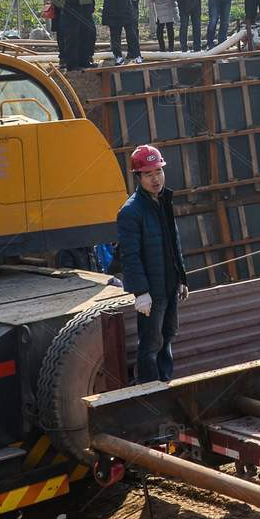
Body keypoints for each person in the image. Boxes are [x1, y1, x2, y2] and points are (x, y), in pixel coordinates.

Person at [116, 144, 188, 383]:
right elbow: (130, 255)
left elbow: (173, 243)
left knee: (168, 336)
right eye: (148, 174)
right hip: (151, 291)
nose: (155, 178)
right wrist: (141, 292)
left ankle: (165, 382)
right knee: (150, 344)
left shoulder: (164, 201)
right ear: (138, 177)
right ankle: (149, 389)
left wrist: (181, 279)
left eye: (158, 171)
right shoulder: (131, 211)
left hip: (169, 284)